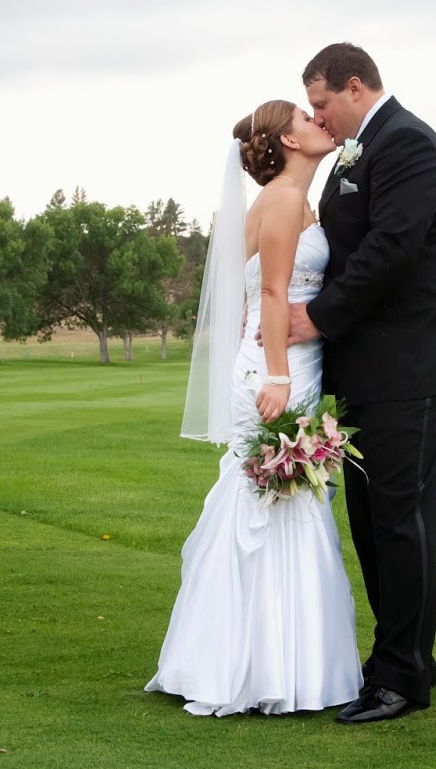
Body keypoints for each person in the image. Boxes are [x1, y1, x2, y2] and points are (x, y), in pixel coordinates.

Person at [145, 100, 364, 717]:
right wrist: (276, 374)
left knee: (290, 502)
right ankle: (246, 667)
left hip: (296, 364)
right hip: (276, 369)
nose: (319, 120)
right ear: (287, 140)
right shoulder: (284, 199)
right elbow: (270, 290)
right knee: (266, 502)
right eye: (305, 116)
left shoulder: (300, 201)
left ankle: (286, 663)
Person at [287, 42, 436, 724]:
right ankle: (394, 658)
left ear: (355, 86)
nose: (318, 117)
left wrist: (317, 317)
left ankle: (402, 677)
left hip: (408, 371)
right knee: (371, 524)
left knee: (399, 522)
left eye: (321, 103)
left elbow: (390, 250)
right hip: (366, 373)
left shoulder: (408, 144)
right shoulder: (356, 153)